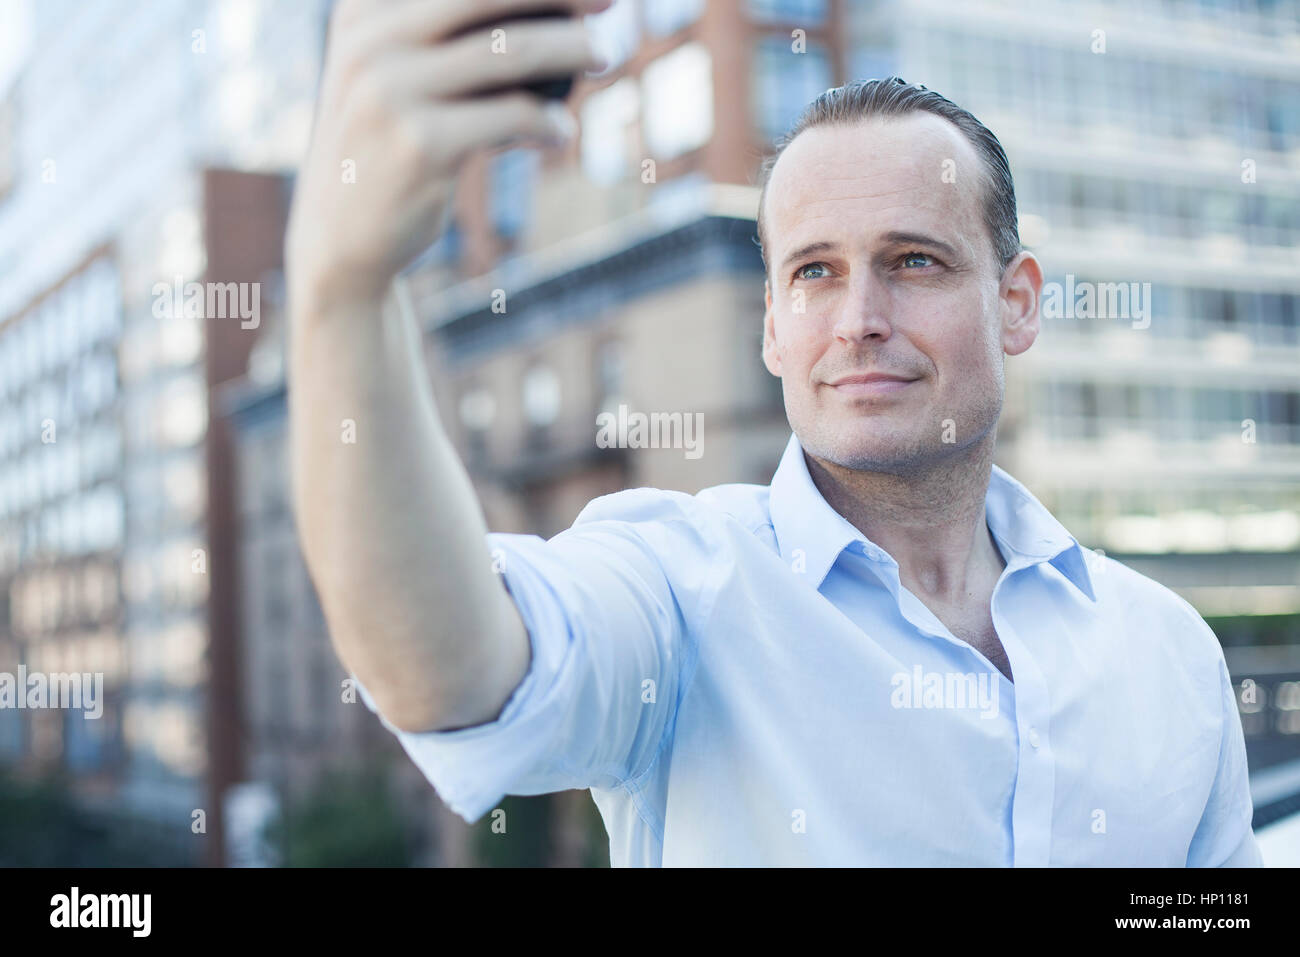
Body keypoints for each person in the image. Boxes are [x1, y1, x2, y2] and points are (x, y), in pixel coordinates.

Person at [285, 0, 1262, 866]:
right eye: (813, 272)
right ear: (768, 329)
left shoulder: (1167, 651)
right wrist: (341, 293)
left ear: (1015, 303)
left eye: (913, 261)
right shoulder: (680, 592)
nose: (857, 318)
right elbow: (451, 669)